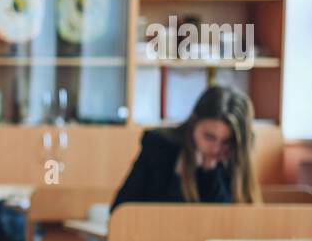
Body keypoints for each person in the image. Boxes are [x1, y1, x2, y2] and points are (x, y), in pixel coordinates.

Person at [112, 84, 262, 210]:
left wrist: (211, 174)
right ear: (193, 122)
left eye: (226, 142)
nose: (216, 149)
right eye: (209, 137)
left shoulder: (234, 155)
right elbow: (121, 209)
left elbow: (224, 220)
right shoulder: (160, 146)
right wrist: (178, 176)